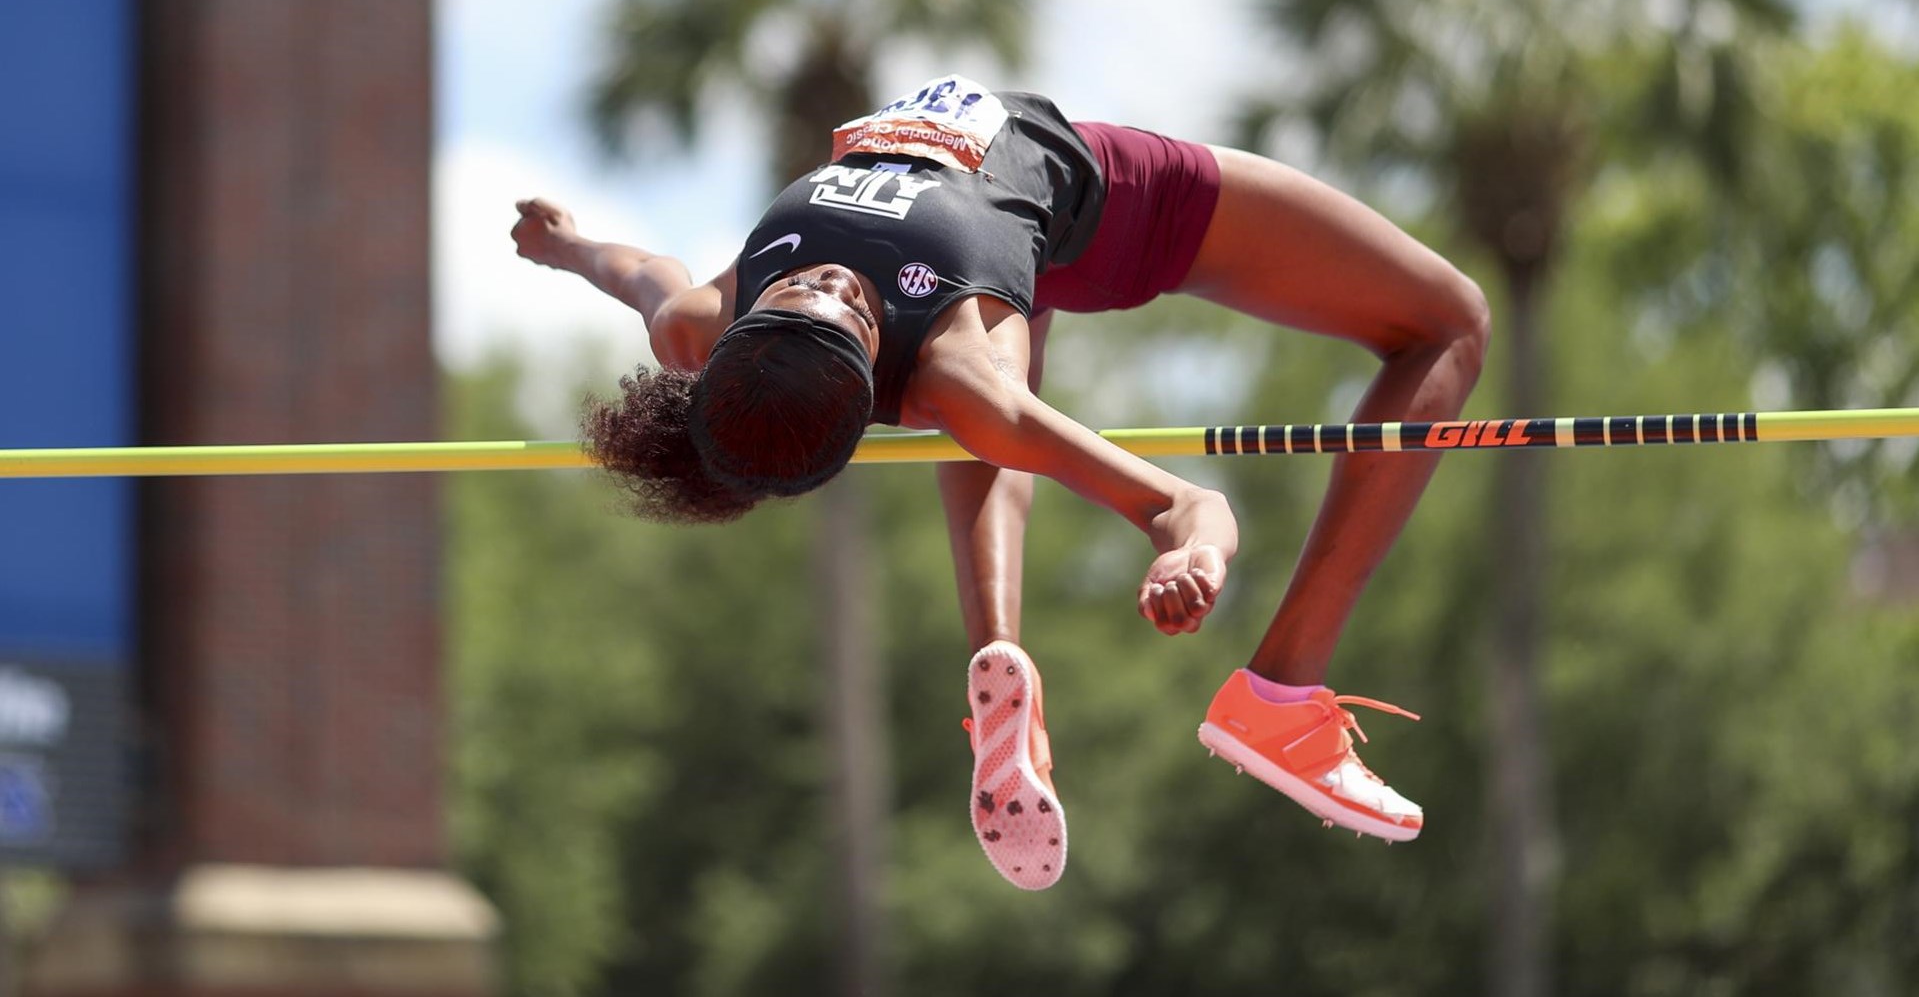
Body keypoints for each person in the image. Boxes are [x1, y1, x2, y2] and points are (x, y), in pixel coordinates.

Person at [510, 75, 1490, 891]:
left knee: (990, 379)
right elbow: (1190, 505)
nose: (829, 284)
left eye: (799, 293)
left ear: (741, 336)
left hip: (1006, 248)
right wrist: (1189, 554)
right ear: (865, 368)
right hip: (1103, 208)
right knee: (1449, 320)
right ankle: (1279, 692)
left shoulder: (699, 327)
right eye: (841, 312)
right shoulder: (963, 378)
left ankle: (999, 676)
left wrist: (562, 245)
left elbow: (632, 266)